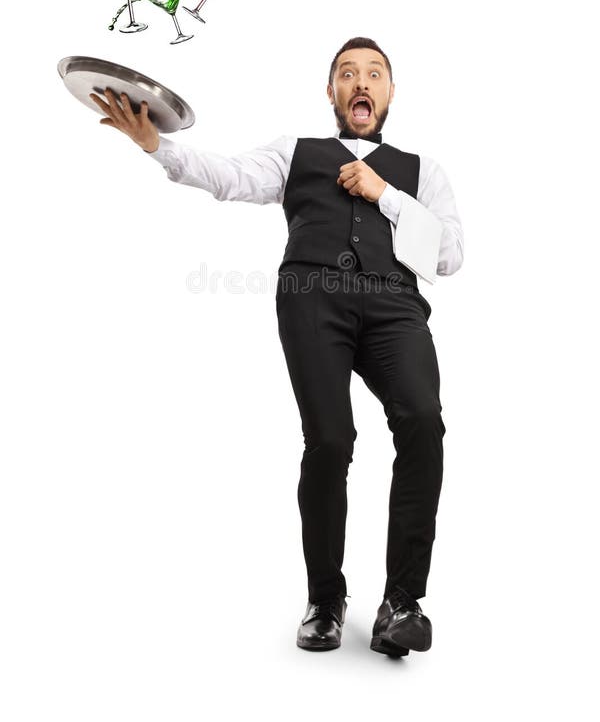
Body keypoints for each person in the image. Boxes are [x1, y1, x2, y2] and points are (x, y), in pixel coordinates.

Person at [90, 36, 464, 659]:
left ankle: (402, 603)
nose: (361, 83)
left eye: (374, 74)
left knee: (423, 419)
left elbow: (451, 255)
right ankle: (325, 599)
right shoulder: (298, 152)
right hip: (313, 296)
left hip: (396, 306)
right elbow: (231, 177)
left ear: (391, 93)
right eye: (347, 74)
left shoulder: (423, 172)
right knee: (330, 439)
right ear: (332, 92)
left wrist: (386, 195)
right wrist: (159, 147)